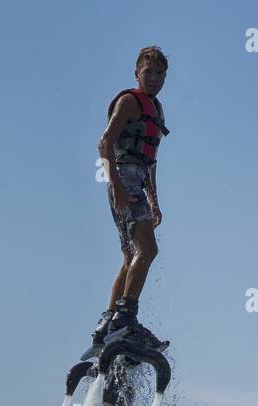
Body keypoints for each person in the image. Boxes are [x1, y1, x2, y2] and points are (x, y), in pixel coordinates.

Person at [87, 45, 171, 358]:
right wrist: (116, 185)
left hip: (137, 181)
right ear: (136, 73)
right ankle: (127, 317)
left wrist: (155, 199)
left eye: (159, 73)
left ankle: (107, 323)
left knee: (130, 257)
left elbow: (151, 161)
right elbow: (104, 142)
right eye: (148, 72)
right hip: (123, 178)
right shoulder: (129, 101)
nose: (154, 78)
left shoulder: (157, 109)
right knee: (148, 249)